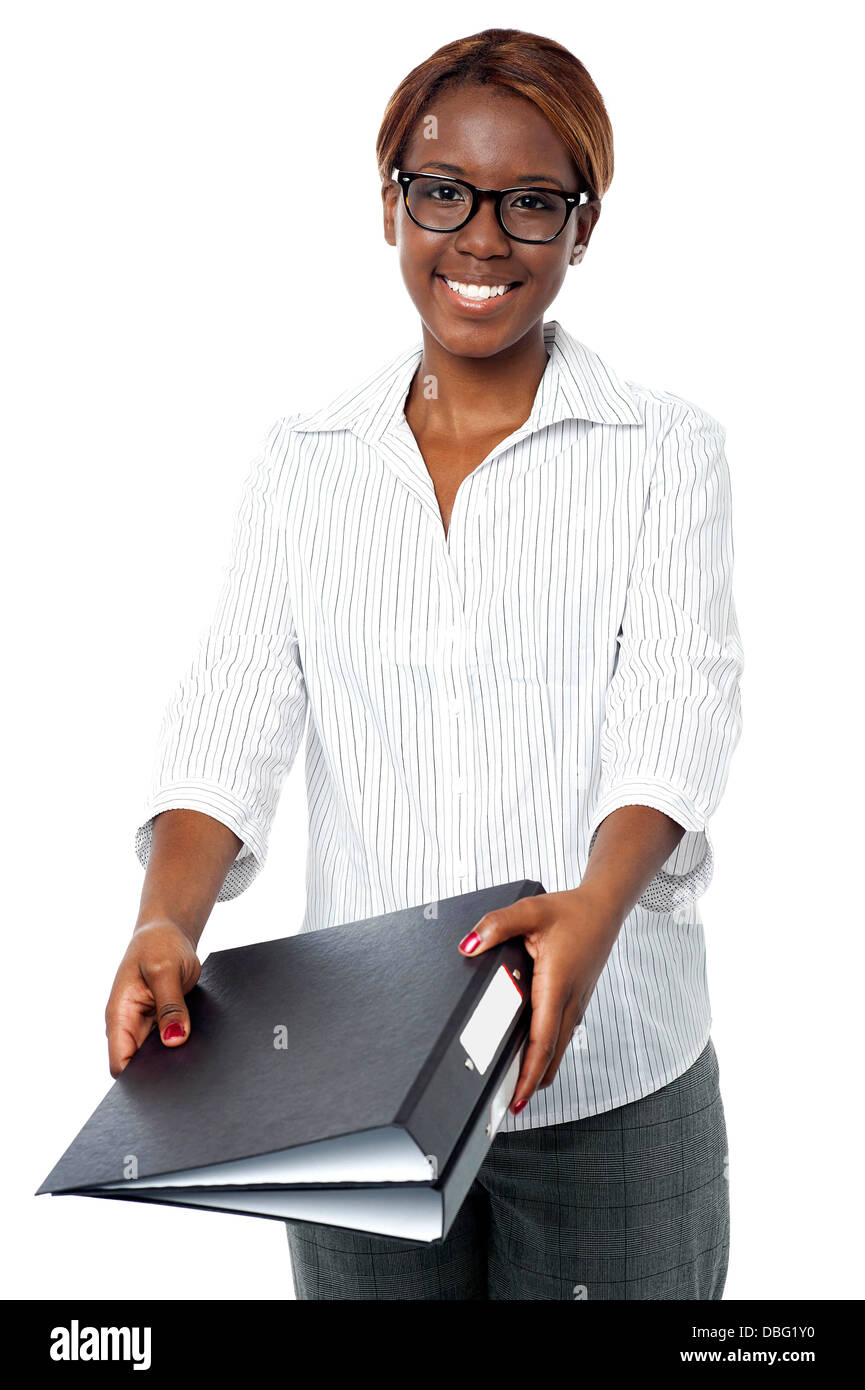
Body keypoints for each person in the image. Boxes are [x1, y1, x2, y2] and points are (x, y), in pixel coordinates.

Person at [106, 27, 744, 1300]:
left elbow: (680, 710)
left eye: (531, 201)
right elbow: (231, 716)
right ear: (391, 202)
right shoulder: (306, 462)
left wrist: (594, 909)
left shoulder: (664, 450)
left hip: (612, 1081)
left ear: (582, 225)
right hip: (359, 1077)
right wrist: (165, 918)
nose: (483, 239)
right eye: (445, 191)